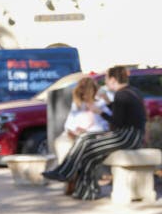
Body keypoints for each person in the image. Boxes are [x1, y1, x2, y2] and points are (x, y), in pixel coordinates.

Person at [43, 65, 146, 200]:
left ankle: (65, 171)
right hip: (132, 135)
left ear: (114, 79)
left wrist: (100, 112)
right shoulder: (132, 91)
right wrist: (108, 103)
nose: (106, 82)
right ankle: (85, 191)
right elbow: (125, 114)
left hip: (126, 136)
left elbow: (118, 122)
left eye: (107, 79)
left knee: (85, 140)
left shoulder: (121, 94)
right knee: (87, 153)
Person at [53, 76, 110, 160]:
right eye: (82, 94)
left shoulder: (100, 104)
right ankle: (66, 170)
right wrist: (74, 130)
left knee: (83, 141)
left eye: (87, 93)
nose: (84, 96)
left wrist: (87, 131)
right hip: (80, 134)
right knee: (63, 142)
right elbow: (69, 124)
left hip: (95, 134)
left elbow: (106, 124)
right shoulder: (77, 105)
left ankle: (66, 170)